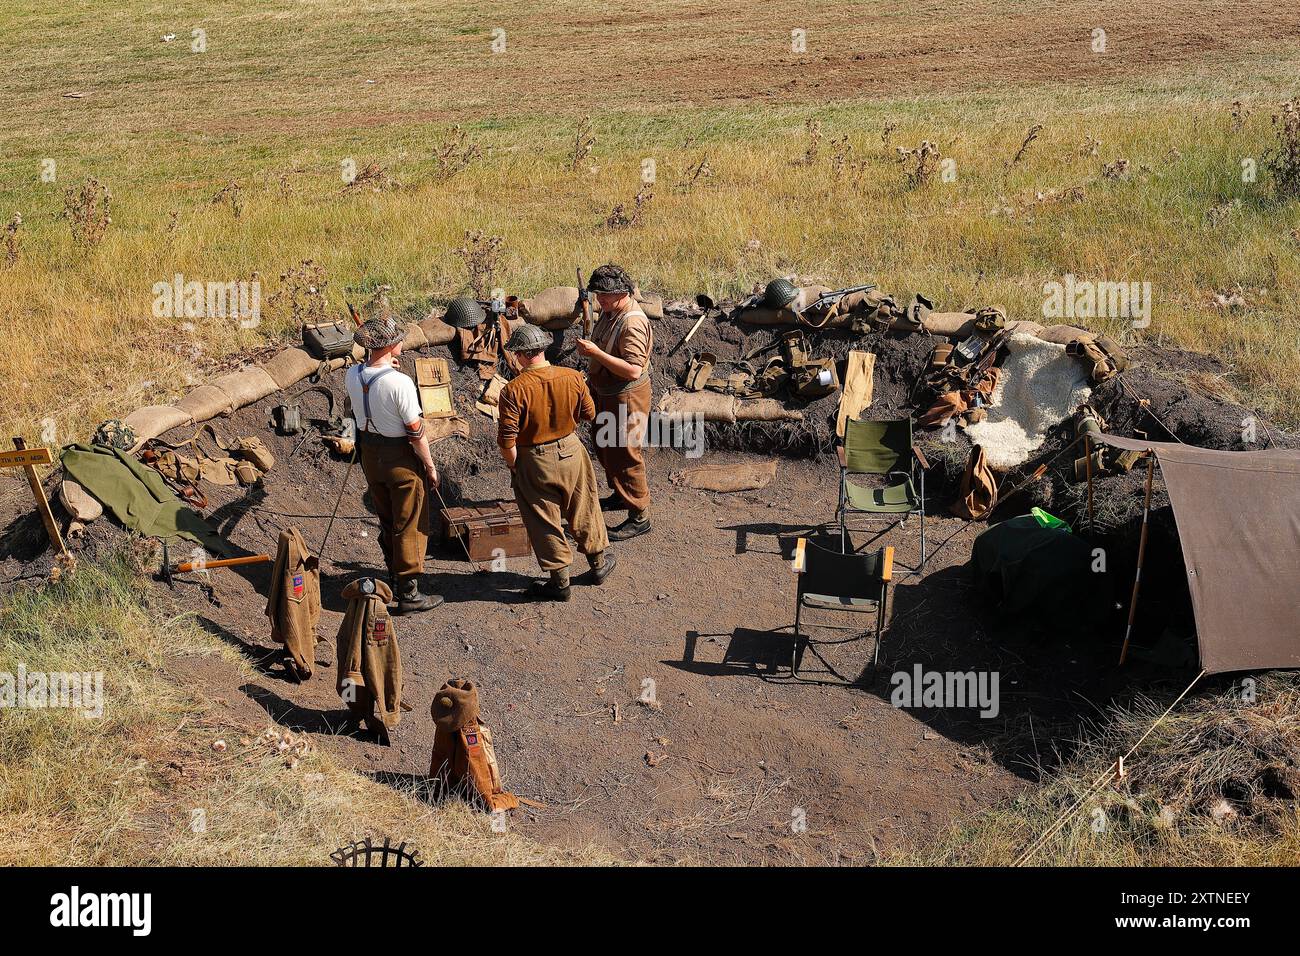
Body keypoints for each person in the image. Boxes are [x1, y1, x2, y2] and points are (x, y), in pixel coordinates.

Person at [497, 323, 617, 601]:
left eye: (516, 354)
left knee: (543, 518)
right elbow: (589, 414)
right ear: (542, 348)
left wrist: (515, 466)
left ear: (523, 355)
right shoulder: (573, 377)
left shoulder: (513, 390)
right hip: (572, 451)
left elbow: (506, 441)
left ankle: (560, 582)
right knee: (584, 507)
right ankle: (598, 565)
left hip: (534, 457)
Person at [345, 316, 442, 614]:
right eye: (399, 338)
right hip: (400, 458)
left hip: (370, 455)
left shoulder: (353, 374)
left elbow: (358, 402)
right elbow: (415, 431)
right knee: (410, 522)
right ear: (391, 345)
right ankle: (409, 593)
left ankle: (392, 576)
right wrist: (429, 465)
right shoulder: (400, 383)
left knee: (387, 518)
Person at [575, 264, 652, 541]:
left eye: (605, 296)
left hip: (626, 396)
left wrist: (595, 352)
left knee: (626, 453)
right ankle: (622, 495)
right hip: (608, 392)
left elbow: (633, 369)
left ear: (622, 294)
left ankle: (639, 516)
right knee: (606, 446)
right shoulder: (611, 311)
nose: (599, 300)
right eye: (598, 295)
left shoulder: (631, 322)